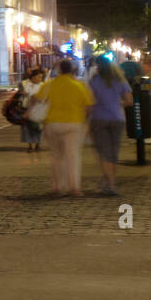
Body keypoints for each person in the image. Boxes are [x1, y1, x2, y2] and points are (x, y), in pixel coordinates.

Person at [42, 57, 95, 196]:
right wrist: (87, 122)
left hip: (52, 123)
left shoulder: (50, 84)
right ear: (72, 69)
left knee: (56, 156)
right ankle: (74, 188)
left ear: (59, 70)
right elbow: (89, 106)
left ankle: (58, 187)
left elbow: (36, 99)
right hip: (74, 123)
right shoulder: (78, 85)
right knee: (73, 156)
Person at [88, 59, 132, 196]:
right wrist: (117, 104)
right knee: (113, 153)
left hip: (99, 119)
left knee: (104, 153)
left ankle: (110, 184)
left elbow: (89, 102)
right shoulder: (120, 80)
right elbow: (129, 101)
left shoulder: (94, 81)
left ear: (98, 67)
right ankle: (111, 183)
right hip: (117, 119)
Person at [19, 67, 47, 151]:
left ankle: (38, 144)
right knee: (28, 128)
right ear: (33, 77)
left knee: (38, 128)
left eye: (41, 77)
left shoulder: (43, 85)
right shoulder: (25, 84)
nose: (40, 79)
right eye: (38, 77)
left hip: (39, 110)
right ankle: (30, 145)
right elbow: (21, 96)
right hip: (27, 109)